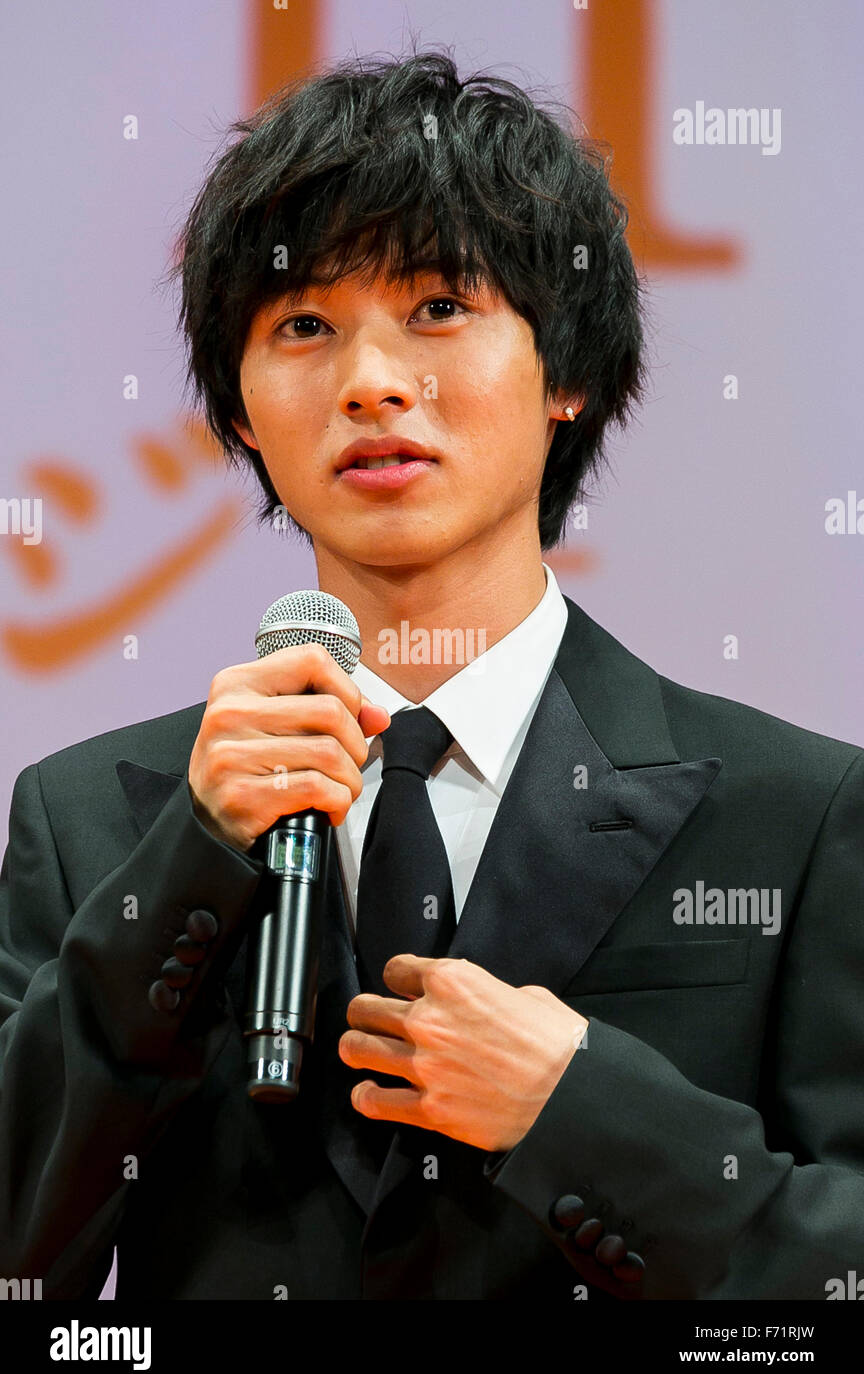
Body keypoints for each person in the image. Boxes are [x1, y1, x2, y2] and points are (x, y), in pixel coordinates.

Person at [1, 48, 863, 1302]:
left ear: (567, 372)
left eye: (439, 310)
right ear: (239, 412)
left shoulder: (799, 813)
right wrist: (189, 860)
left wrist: (583, 1113)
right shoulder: (89, 822)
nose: (370, 383)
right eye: (304, 326)